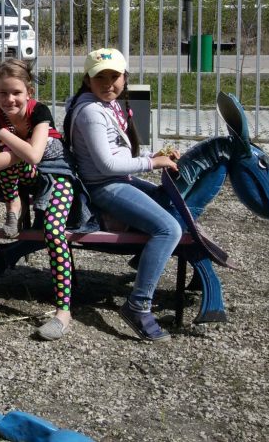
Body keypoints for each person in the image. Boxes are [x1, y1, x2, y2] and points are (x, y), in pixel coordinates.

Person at [64, 47, 182, 342]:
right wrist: (152, 163)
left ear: (125, 77)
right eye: (100, 77)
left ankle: (144, 258)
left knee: (170, 202)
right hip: (104, 186)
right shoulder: (91, 112)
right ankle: (138, 306)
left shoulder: (108, 105)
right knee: (169, 229)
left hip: (119, 178)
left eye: (114, 77)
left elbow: (118, 153)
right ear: (87, 80)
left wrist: (156, 155)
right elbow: (107, 165)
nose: (108, 84)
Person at [0, 59, 77, 340]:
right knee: (13, 160)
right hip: (25, 177)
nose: (10, 99)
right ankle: (14, 204)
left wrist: (3, 135)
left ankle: (63, 311)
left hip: (58, 174)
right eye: (3, 93)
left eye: (16, 93)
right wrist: (15, 148)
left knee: (54, 232)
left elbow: (34, 155)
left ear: (29, 92)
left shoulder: (39, 112)